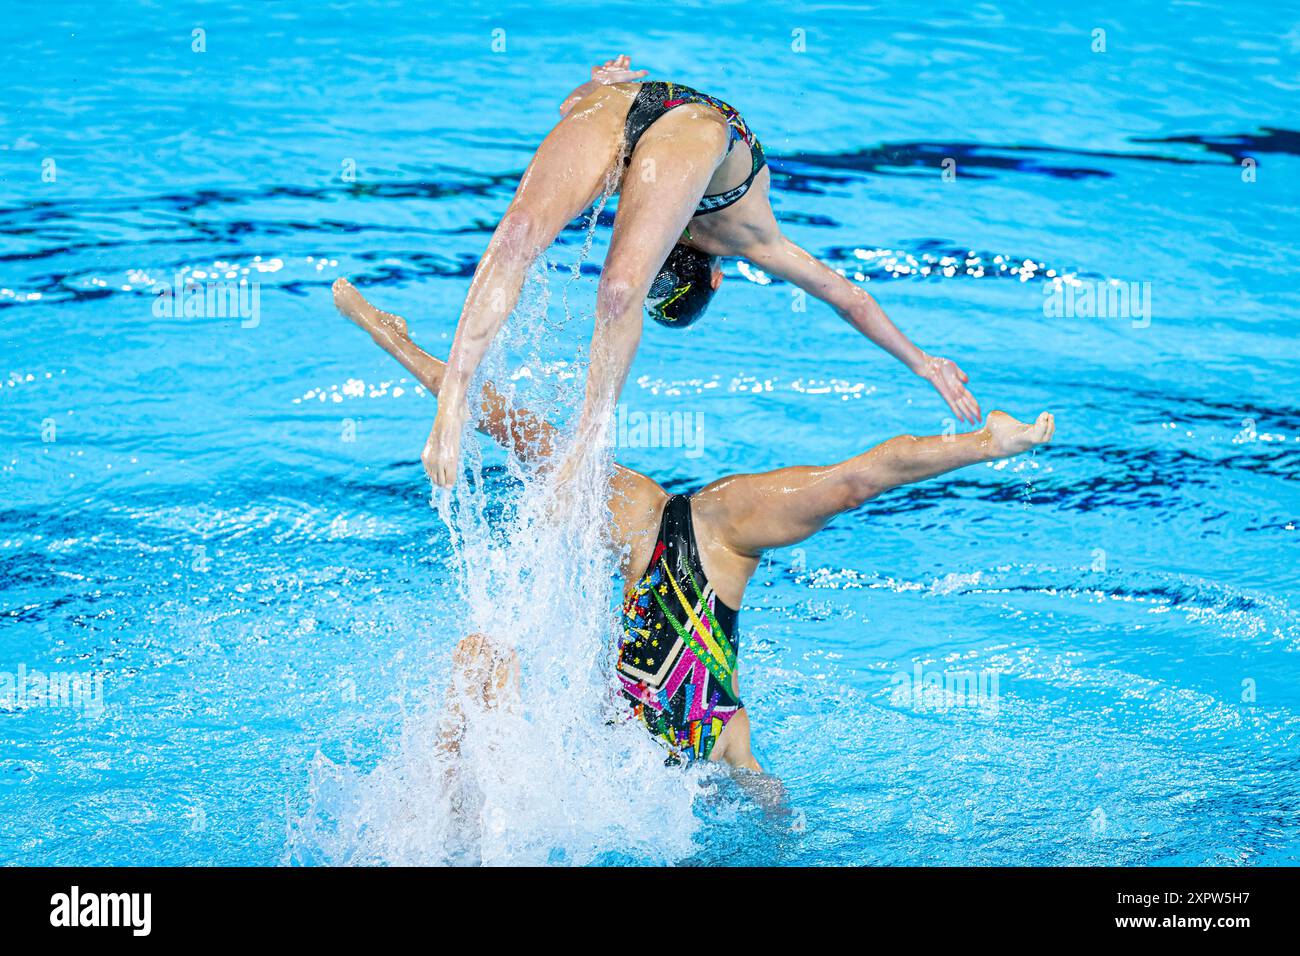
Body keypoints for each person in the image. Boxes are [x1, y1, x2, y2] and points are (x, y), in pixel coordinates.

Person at [334, 278, 1054, 770]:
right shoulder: (720, 736)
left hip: (649, 534)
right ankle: (985, 441)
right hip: (715, 543)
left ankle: (402, 345)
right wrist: (778, 819)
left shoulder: (633, 739)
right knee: (848, 485)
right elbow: (763, 790)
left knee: (527, 441)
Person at [423, 55, 982, 488]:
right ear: (714, 276)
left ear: (715, 278)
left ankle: (505, 417)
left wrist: (600, 84)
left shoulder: (704, 229)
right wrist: (923, 362)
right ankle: (572, 438)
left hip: (627, 100)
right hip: (695, 126)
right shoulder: (749, 237)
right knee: (616, 289)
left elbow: (848, 296)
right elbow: (848, 298)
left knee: (522, 235)